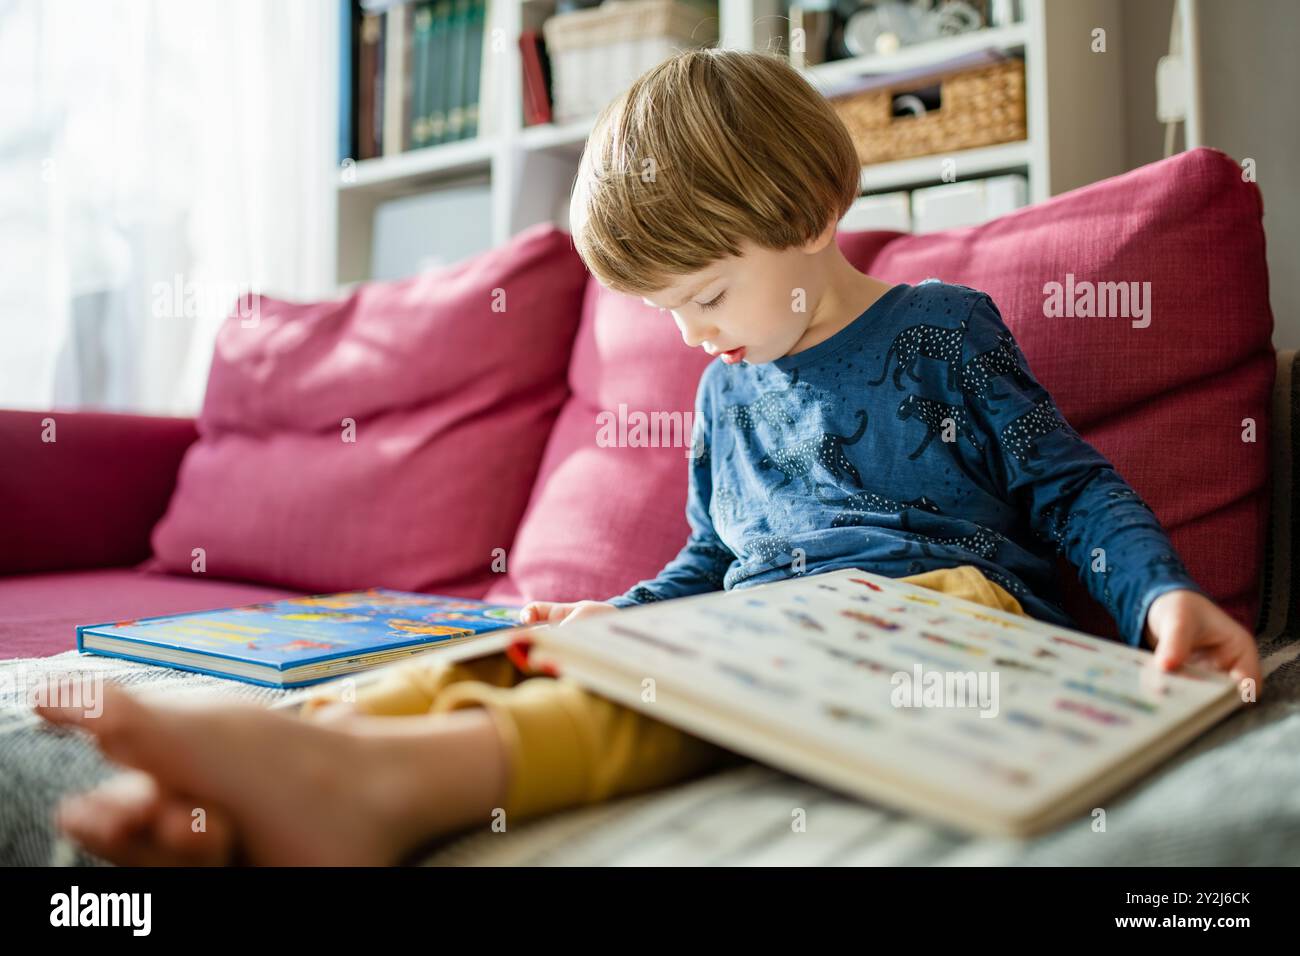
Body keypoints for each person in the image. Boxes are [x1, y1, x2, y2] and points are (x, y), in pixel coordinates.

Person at [35, 49, 1260, 866]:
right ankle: (292, 757)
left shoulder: (939, 329)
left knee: (677, 701)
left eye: (708, 292)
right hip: (765, 627)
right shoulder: (725, 393)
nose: (691, 334)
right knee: (531, 650)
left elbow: (1066, 480)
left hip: (945, 618)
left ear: (806, 217)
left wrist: (1160, 591)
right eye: (664, 311)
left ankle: (395, 788)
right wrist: (607, 622)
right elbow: (711, 558)